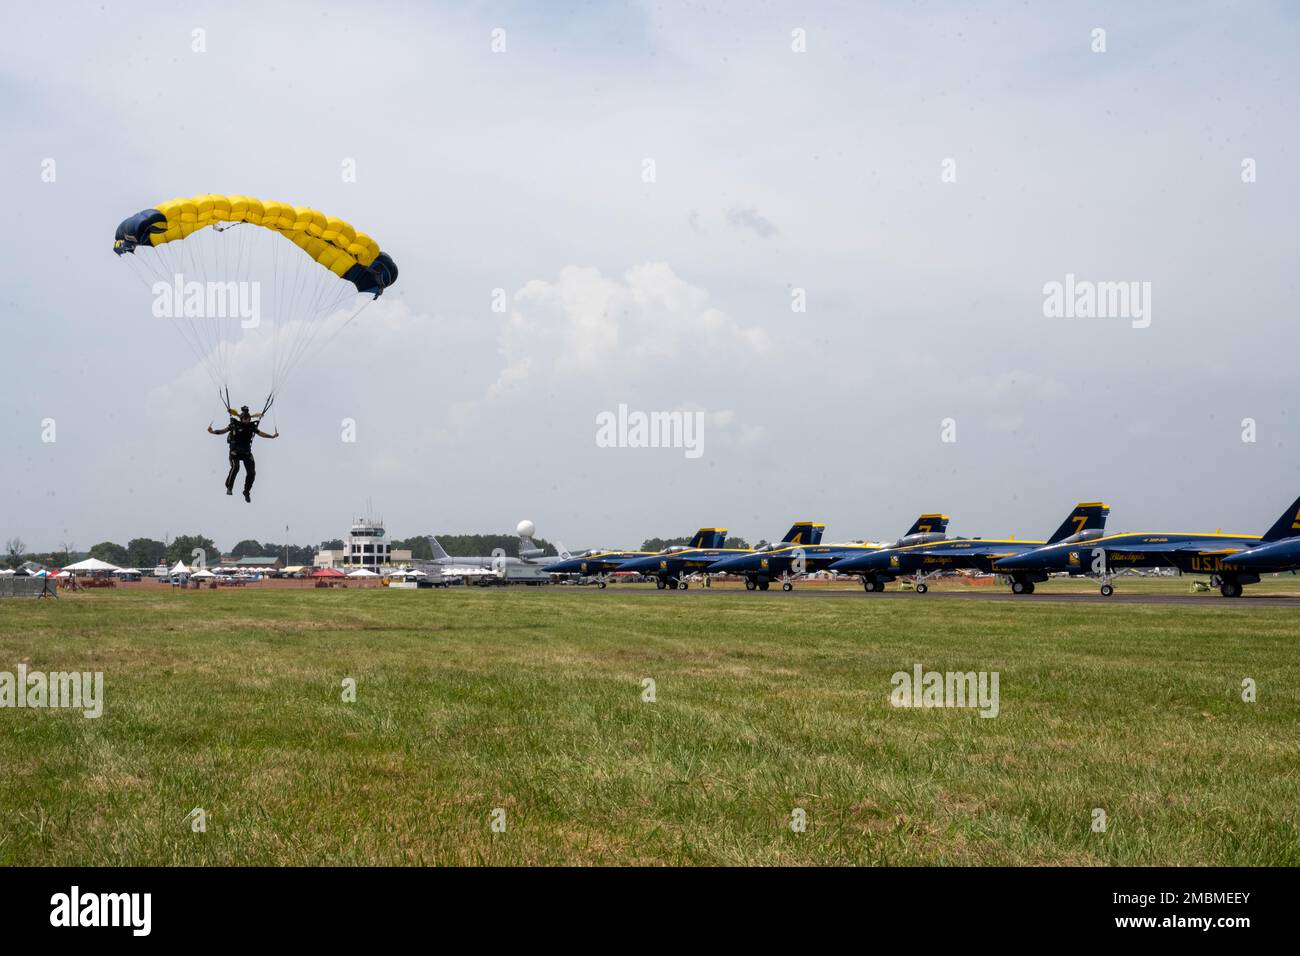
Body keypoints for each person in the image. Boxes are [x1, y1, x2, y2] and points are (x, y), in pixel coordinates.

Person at [208, 406, 278, 502]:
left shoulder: (251, 427)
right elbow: (223, 431)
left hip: (246, 453)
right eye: (244, 419)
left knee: (252, 473)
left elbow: (261, 433)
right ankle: (229, 486)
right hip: (235, 452)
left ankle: (246, 491)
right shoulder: (235, 424)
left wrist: (271, 436)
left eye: (248, 419)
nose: (246, 421)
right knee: (236, 467)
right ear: (241, 419)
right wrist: (212, 432)